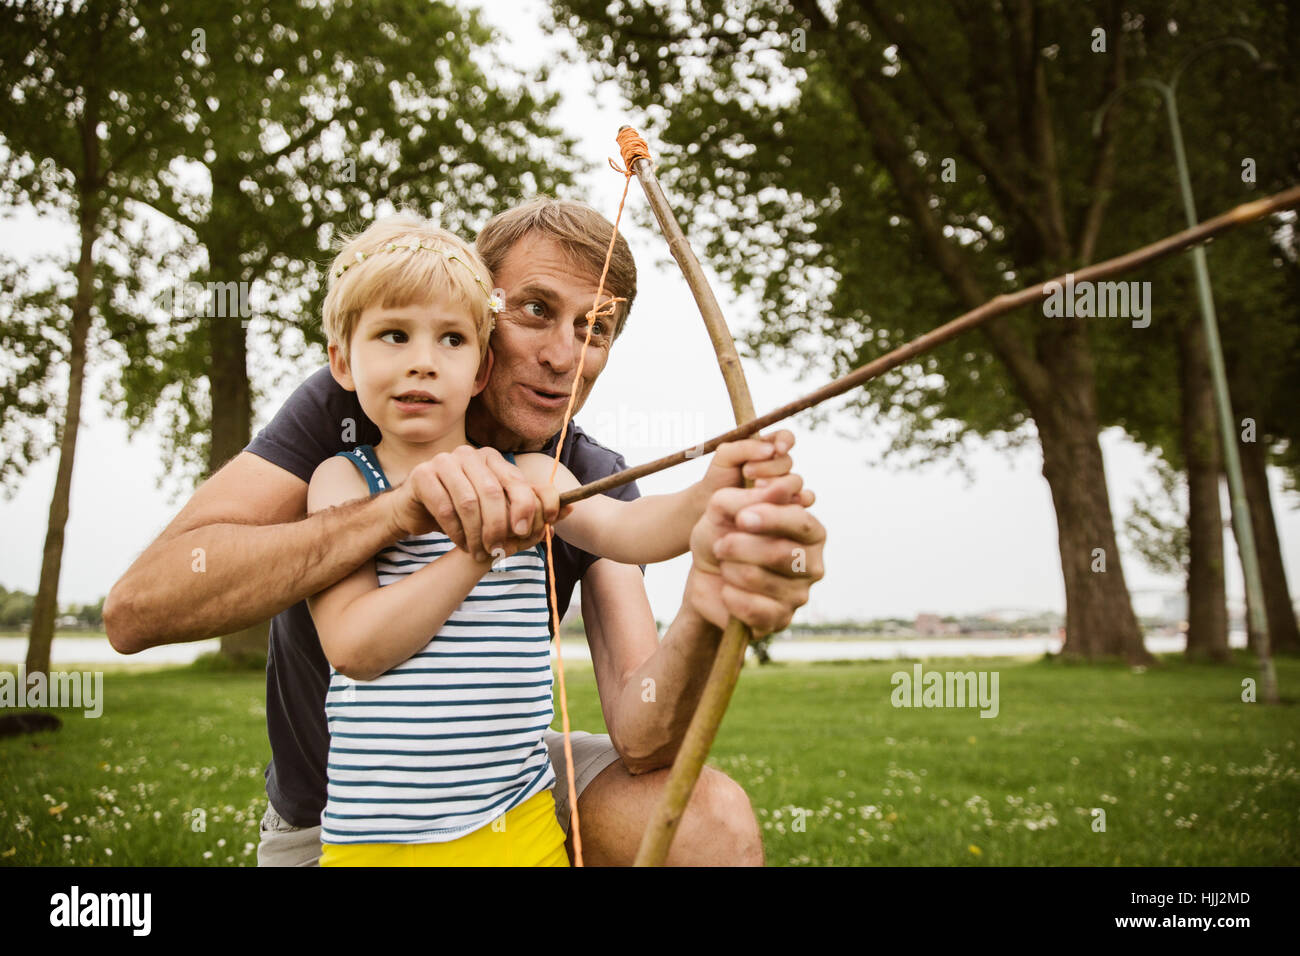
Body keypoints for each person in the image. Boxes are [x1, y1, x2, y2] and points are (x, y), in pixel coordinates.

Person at [105, 197, 827, 866]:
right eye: (536, 311)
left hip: (505, 795)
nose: (565, 356)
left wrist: (710, 554)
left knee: (712, 825)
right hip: (343, 819)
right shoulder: (354, 414)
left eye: (594, 328)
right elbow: (137, 611)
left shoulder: (572, 470)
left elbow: (641, 733)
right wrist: (402, 512)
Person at [309, 214, 789, 865]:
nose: (422, 363)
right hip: (383, 840)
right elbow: (355, 648)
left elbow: (630, 532)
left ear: (478, 365)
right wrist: (478, 551)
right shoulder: (341, 478)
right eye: (394, 337)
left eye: (451, 340)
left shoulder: (537, 475)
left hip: (520, 818)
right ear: (342, 361)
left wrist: (713, 495)